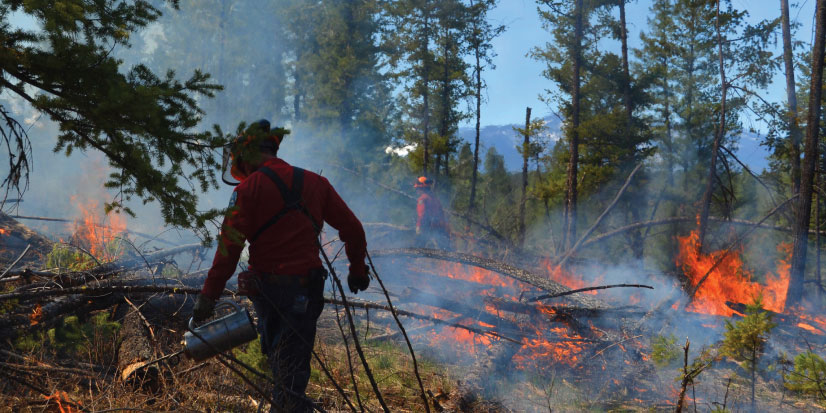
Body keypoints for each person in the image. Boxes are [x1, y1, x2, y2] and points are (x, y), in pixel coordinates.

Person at [193, 119, 370, 412]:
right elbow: (353, 229)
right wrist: (357, 270)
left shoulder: (248, 190)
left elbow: (229, 249)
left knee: (287, 380)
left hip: (270, 295)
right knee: (289, 371)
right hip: (306, 291)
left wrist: (208, 296)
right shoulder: (315, 183)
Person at [414, 176, 449, 249]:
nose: (417, 190)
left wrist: (419, 226)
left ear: (421, 188)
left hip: (426, 226)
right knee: (443, 247)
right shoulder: (435, 199)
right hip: (438, 226)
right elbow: (441, 213)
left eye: (417, 188)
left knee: (418, 247)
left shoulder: (422, 199)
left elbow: (421, 214)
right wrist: (443, 225)